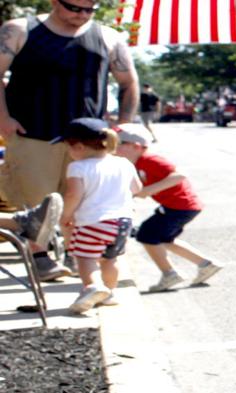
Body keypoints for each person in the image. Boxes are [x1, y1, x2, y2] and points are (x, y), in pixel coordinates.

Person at [0, 0, 141, 281]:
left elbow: (129, 82)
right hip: (32, 132)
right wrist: (3, 118)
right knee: (37, 201)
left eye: (90, 9)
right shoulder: (19, 30)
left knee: (81, 200)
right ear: (55, 2)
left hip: (89, 139)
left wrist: (124, 121)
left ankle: (75, 256)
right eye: (75, 8)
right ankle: (40, 257)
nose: (82, 15)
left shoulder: (107, 37)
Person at [113, 123, 220, 292]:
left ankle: (169, 273)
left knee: (147, 234)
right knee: (163, 239)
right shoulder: (135, 163)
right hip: (179, 206)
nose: (114, 149)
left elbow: (179, 175)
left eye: (118, 144)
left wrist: (148, 190)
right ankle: (205, 264)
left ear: (136, 146)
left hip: (180, 206)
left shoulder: (150, 160)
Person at [55, 118, 139, 314]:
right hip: (123, 221)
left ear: (78, 147)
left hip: (93, 221)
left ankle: (92, 287)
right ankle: (109, 293)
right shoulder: (123, 163)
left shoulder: (78, 167)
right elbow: (136, 188)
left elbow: (73, 194)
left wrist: (65, 215)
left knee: (85, 258)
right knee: (110, 259)